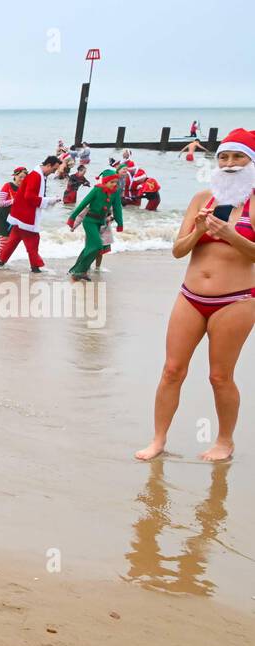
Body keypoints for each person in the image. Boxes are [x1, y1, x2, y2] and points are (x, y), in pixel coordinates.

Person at [135, 129, 255, 464]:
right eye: (224, 157)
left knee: (220, 376)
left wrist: (230, 234)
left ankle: (224, 441)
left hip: (236, 300)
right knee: (172, 370)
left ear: (251, 162)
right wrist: (201, 230)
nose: (230, 164)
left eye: (238, 157)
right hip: (190, 297)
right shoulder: (203, 199)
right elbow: (177, 250)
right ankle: (158, 439)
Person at [0, 155, 58, 272]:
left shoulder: (37, 175)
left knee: (13, 240)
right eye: (53, 169)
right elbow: (29, 196)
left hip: (18, 214)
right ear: (48, 165)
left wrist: (48, 200)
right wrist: (49, 200)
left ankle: (0, 263)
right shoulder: (36, 176)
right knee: (33, 241)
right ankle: (35, 267)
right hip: (26, 216)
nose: (53, 172)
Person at [67, 171, 124, 281]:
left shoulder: (115, 192)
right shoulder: (97, 190)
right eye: (112, 182)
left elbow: (117, 208)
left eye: (116, 182)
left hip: (100, 223)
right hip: (89, 221)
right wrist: (72, 218)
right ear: (105, 182)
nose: (114, 184)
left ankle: (76, 270)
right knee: (98, 246)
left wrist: (120, 223)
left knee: (89, 247)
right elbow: (83, 203)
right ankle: (79, 271)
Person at [0, 167, 22, 237]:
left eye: (25, 177)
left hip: (14, 218)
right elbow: (1, 203)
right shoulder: (7, 186)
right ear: (15, 176)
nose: (23, 179)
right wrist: (14, 200)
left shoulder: (24, 188)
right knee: (4, 242)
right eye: (20, 177)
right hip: (3, 216)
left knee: (11, 242)